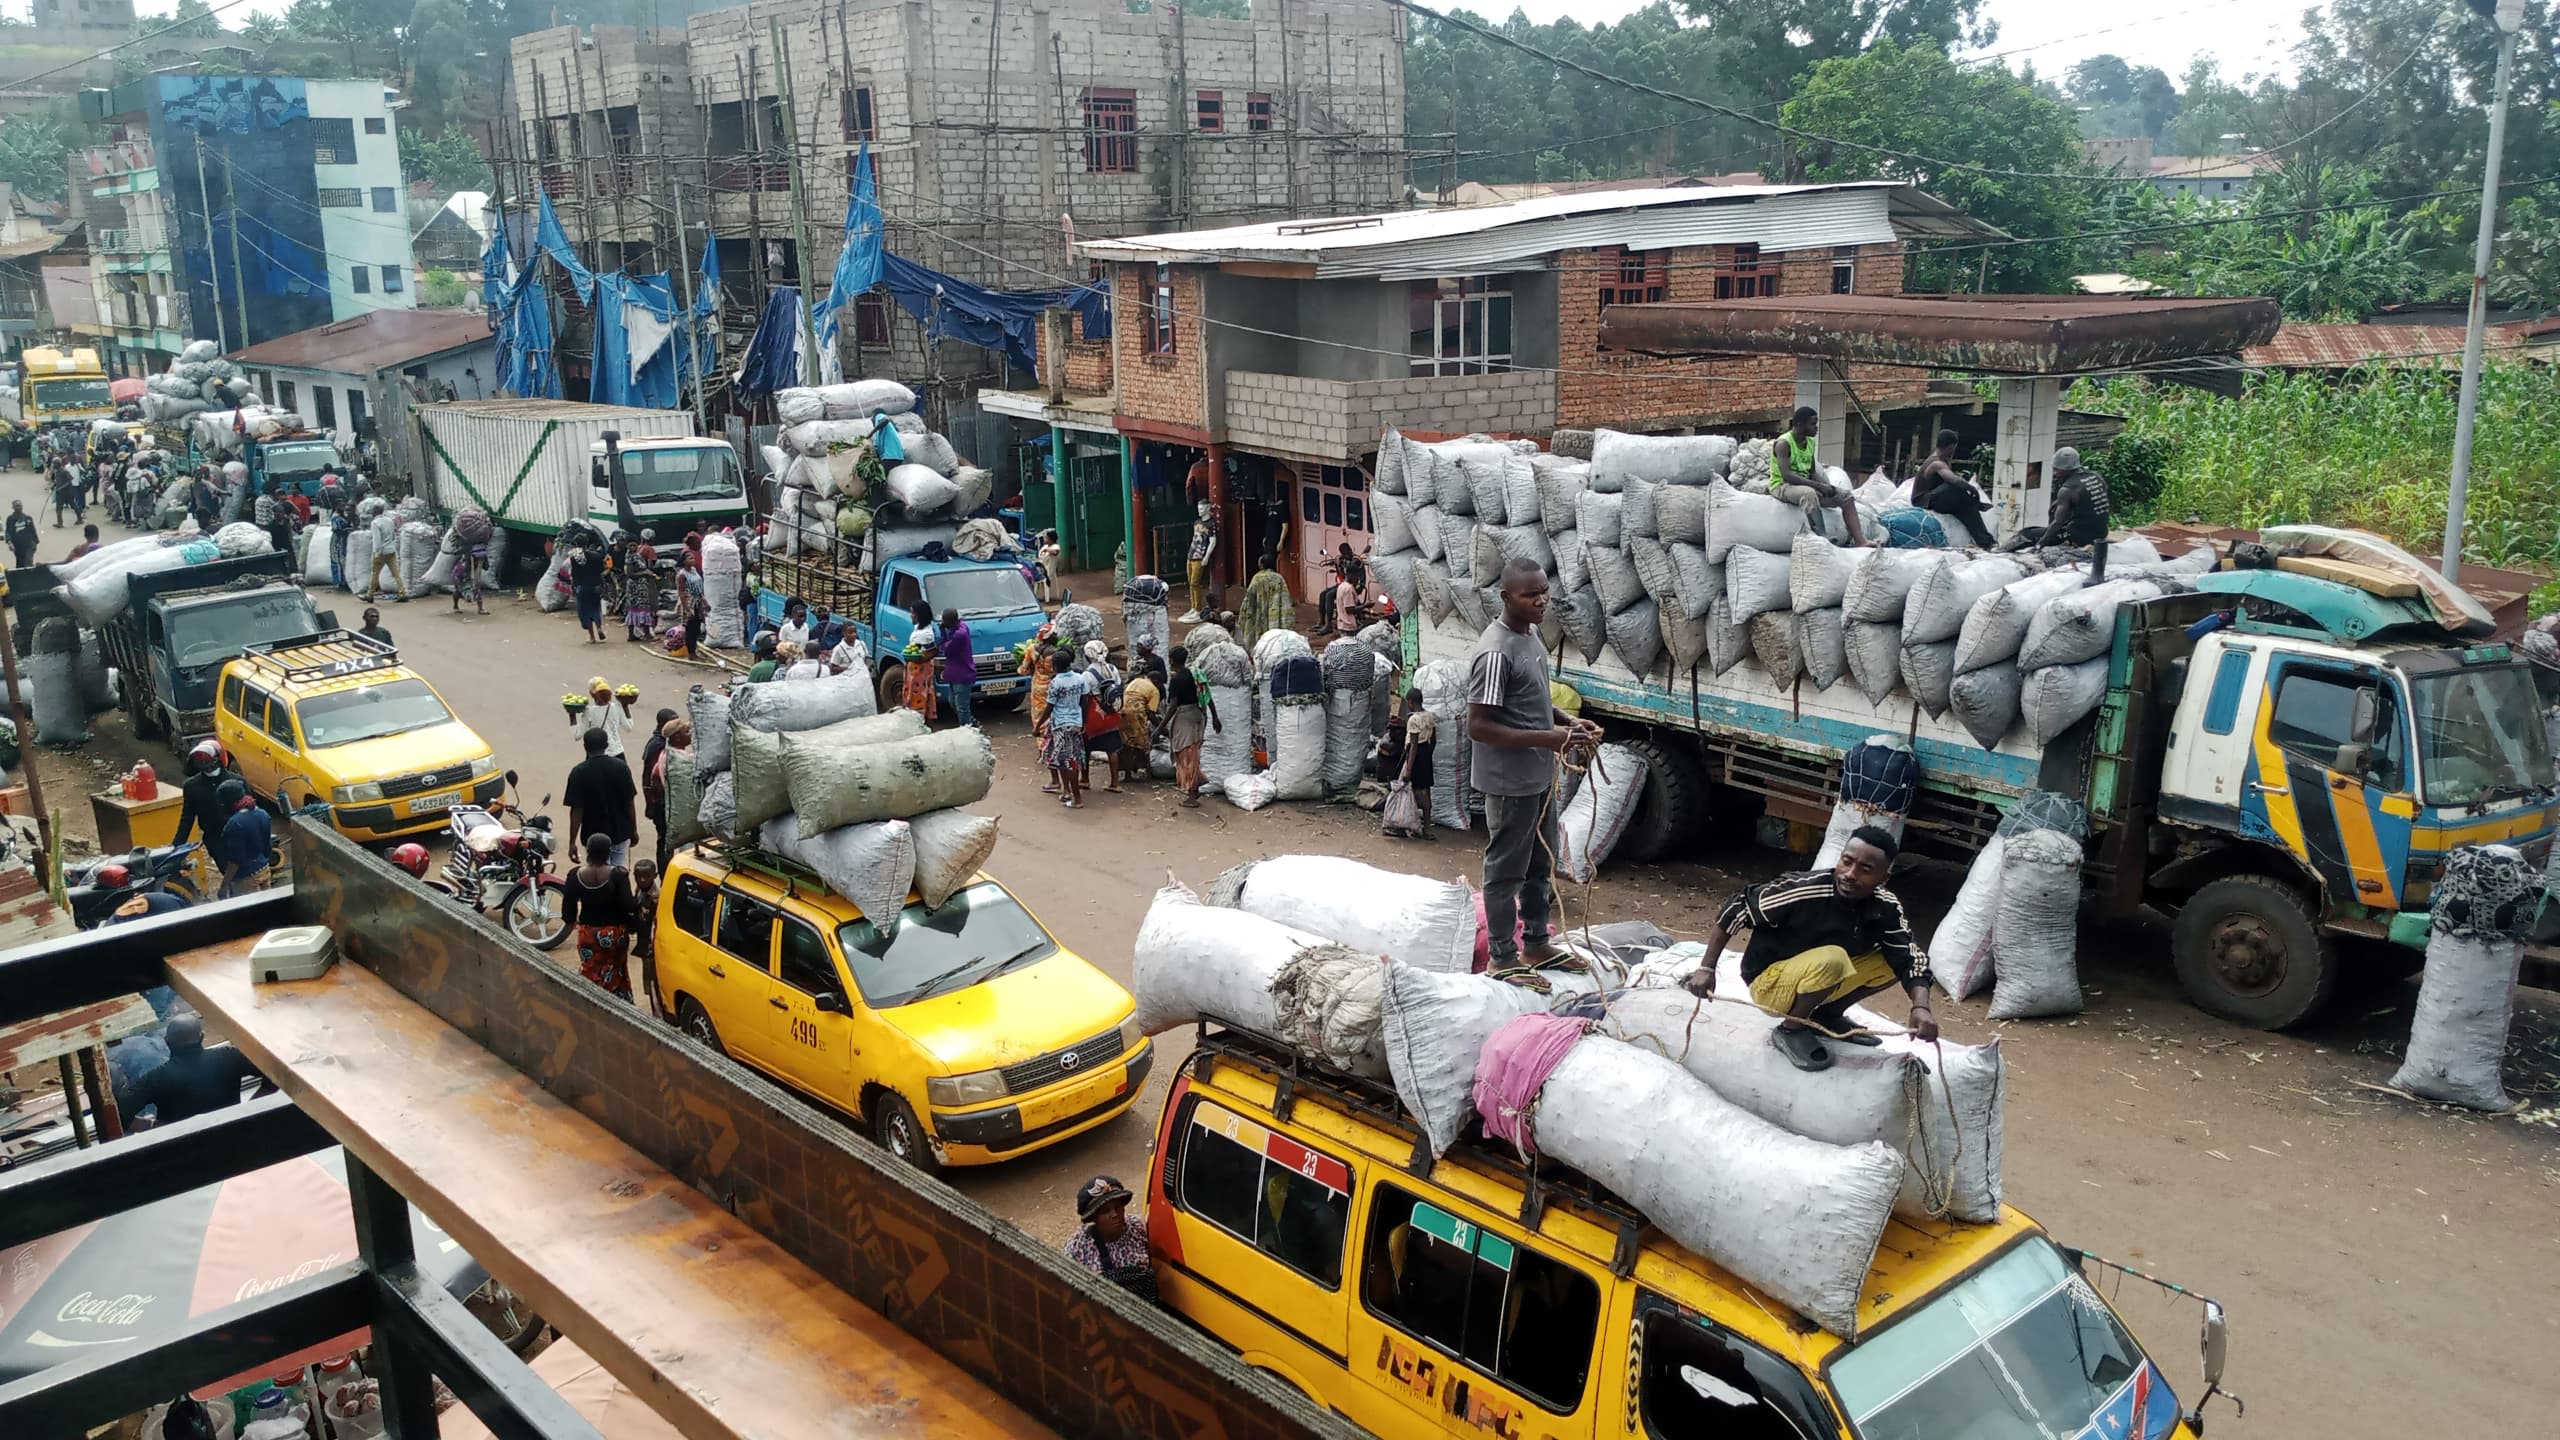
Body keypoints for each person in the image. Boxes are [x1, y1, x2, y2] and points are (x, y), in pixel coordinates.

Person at [1683, 826, 1938, 1071]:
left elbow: (1909, 957)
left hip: (1820, 978)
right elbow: (1736, 909)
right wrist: (1706, 967)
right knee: (1834, 958)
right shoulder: (1802, 889)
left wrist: (1921, 1007)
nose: (1850, 874)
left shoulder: (1886, 907)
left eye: (1865, 869)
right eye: (1846, 861)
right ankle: (1791, 1028)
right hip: (1770, 983)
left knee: (1890, 959)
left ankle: (1827, 1015)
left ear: (1884, 878)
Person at [1469, 558, 1598, 970]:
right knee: (1506, 871)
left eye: (1544, 591)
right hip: (1509, 782)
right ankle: (1503, 958)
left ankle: (1537, 943)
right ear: (1506, 597)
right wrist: (1551, 738)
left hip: (1539, 775)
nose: (1542, 600)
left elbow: (1533, 702)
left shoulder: (1532, 635)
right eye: (1531, 594)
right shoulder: (1495, 652)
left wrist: (1569, 721)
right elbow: (1479, 726)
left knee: (1541, 864)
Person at [112, 1014, 269, 1129]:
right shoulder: (229, 1056)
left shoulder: (156, 1078)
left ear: (166, 1041)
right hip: (231, 1133)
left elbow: (119, 1117)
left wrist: (152, 1125)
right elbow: (274, 1073)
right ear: (202, 1036)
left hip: (182, 1147)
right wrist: (248, 1109)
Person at [557, 833, 637, 1001]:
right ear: (608, 852)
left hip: (588, 933)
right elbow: (628, 905)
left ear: (588, 852)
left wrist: (573, 923)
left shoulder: (575, 875)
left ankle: (590, 1002)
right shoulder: (618, 875)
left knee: (591, 970)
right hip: (615, 934)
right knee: (617, 972)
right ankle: (620, 1004)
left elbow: (568, 910)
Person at [1769, 405, 1865, 546]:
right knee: (1809, 493)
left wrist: (1827, 487)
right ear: (1799, 424)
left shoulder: (1810, 442)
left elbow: (1812, 471)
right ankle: (1822, 536)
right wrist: (1818, 486)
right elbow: (1787, 475)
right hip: (1783, 487)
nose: (1816, 427)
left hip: (1805, 485)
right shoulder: (1783, 444)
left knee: (1846, 497)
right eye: (1812, 424)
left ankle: (1860, 540)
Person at [1063, 1174, 1155, 1301]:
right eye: (1106, 1211)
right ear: (1094, 1218)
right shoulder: (1078, 1247)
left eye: (1118, 1207)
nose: (1115, 1214)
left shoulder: (1136, 1228)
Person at [565, 726, 639, 869]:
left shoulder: (578, 772)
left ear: (585, 747)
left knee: (597, 877)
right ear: (607, 745)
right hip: (619, 833)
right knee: (618, 873)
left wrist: (572, 843)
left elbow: (576, 812)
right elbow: (630, 802)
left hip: (593, 838)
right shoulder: (621, 767)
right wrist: (633, 830)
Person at [2042, 446, 2115, 586]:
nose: (2054, 473)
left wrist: (2040, 545)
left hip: (2080, 537)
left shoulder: (2067, 489)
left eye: (2057, 469)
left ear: (2067, 470)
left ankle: (1998, 552)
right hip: (2101, 532)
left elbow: (2057, 523)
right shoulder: (2096, 476)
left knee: (2029, 533)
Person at [1913, 430, 1995, 547]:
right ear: (1950, 446)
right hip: (1923, 501)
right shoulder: (1936, 463)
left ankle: (1986, 542)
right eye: (1954, 447)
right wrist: (1973, 491)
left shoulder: (1943, 461)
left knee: (1967, 508)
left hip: (1938, 499)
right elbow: (1955, 480)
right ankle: (1977, 504)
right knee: (1953, 487)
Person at [213, 778, 274, 898]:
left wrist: (224, 885)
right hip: (264, 869)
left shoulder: (235, 824)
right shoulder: (262, 813)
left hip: (246, 878)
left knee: (251, 914)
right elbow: (268, 847)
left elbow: (235, 861)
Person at [1164, 644, 1208, 809]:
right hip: (1197, 716)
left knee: (1186, 756)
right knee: (1193, 753)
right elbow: (1206, 695)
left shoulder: (1176, 680)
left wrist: (1160, 727)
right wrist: (1214, 718)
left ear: (1171, 660)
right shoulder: (1194, 674)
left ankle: (1191, 794)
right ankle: (1196, 785)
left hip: (1185, 718)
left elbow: (1173, 705)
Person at [1043, 654, 1090, 807]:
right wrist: (1084, 721)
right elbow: (1085, 701)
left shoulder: (1056, 683)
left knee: (1068, 762)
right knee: (1069, 760)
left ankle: (1077, 798)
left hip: (1062, 726)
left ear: (1056, 666)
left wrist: (1038, 725)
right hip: (1076, 724)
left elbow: (1049, 706)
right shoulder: (1080, 678)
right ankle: (1067, 792)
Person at [171, 741, 237, 847]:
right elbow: (187, 818)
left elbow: (250, 812)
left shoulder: (238, 782)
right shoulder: (192, 787)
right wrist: (176, 846)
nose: (209, 767)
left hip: (239, 836)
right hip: (214, 840)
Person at [1081, 639, 1124, 792]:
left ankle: (1085, 779)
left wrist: (1083, 719)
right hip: (1111, 713)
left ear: (1087, 656)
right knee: (1112, 749)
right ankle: (1115, 783)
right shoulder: (1113, 669)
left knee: (1085, 748)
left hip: (1094, 715)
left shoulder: (1087, 674)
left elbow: (1085, 698)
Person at [1236, 549, 1295, 655]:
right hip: (1275, 614)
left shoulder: (1257, 578)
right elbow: (1285, 599)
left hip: (1260, 613)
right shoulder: (1279, 578)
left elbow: (1249, 599)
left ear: (1262, 565)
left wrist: (1246, 615)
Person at [640, 706, 678, 855]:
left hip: (663, 801)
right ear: (663, 725)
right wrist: (650, 803)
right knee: (664, 841)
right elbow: (649, 778)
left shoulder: (665, 742)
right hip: (660, 802)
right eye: (673, 723)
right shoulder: (657, 746)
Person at [1116, 662, 1159, 787]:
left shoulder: (1136, 681)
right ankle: (1148, 773)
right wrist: (1161, 728)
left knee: (1126, 744)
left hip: (1123, 713)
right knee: (1143, 744)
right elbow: (1151, 714)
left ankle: (1128, 774)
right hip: (1137, 716)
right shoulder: (1154, 690)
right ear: (1156, 681)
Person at [630, 855, 663, 1018]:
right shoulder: (640, 890)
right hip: (644, 942)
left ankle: (657, 1014)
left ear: (655, 876)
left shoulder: (655, 898)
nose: (642, 879)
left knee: (653, 981)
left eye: (646, 876)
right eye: (638, 876)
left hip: (652, 945)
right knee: (649, 981)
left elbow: (657, 924)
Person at [573, 676, 631, 761]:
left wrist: (572, 716)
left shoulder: (589, 711)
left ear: (592, 694)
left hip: (596, 756)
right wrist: (625, 706)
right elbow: (628, 728)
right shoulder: (617, 707)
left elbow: (577, 735)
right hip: (618, 754)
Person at [938, 607, 977, 728]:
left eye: (944, 621)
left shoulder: (959, 635)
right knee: (954, 703)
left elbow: (946, 650)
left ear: (950, 622)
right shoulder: (962, 626)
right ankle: (973, 724)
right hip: (955, 673)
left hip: (962, 674)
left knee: (961, 708)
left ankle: (968, 730)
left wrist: (943, 633)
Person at [1180, 502, 1219, 623]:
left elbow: (1213, 541)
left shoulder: (1211, 524)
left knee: (1195, 583)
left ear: (1208, 508)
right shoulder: (1197, 522)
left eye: (1202, 508)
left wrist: (1206, 556)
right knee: (1191, 583)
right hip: (1191, 554)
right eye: (1198, 508)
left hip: (1200, 556)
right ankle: (1193, 607)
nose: (1199, 510)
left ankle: (1197, 608)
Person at [569, 534, 608, 642]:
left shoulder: (574, 558)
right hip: (595, 586)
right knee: (595, 607)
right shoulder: (596, 556)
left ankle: (592, 636)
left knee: (585, 611)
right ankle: (599, 627)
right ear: (587, 543)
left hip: (581, 587)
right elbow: (601, 572)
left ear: (576, 544)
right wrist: (603, 586)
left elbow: (574, 574)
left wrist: (572, 587)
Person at [364, 504, 401, 601]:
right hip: (391, 550)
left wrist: (377, 553)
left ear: (374, 512)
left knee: (375, 573)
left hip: (381, 552)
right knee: (396, 573)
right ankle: (402, 593)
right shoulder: (389, 521)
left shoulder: (375, 523)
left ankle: (370, 595)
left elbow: (377, 540)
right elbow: (393, 535)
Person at [50, 457, 83, 527]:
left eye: (54, 463)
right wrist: (54, 485)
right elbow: (58, 481)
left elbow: (70, 479)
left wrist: (61, 487)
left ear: (58, 464)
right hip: (60, 492)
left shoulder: (64, 471)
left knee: (73, 505)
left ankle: (80, 518)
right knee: (59, 507)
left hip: (67, 492)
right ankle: (60, 522)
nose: (53, 465)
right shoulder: (57, 471)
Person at [5, 500, 38, 568]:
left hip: (29, 544)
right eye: (17, 506)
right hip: (18, 546)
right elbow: (8, 531)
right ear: (13, 507)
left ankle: (29, 576)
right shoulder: (11, 519)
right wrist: (9, 542)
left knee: (28, 562)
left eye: (20, 505)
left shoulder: (28, 518)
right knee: (20, 563)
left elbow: (33, 530)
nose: (19, 507)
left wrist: (35, 542)